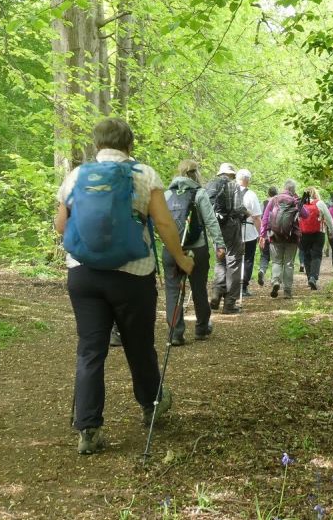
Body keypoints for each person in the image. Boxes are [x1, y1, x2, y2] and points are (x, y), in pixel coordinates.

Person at [54, 118, 195, 455]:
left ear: (96, 144)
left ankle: (88, 427)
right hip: (133, 274)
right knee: (138, 344)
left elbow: (61, 225)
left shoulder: (76, 176)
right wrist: (181, 258)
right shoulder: (144, 175)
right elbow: (162, 222)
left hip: (84, 274)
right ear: (129, 145)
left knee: (91, 350)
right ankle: (151, 404)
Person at [163, 160, 226, 345]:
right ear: (195, 174)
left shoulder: (166, 194)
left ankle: (175, 333)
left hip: (172, 249)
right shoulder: (199, 193)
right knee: (198, 288)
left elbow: (160, 222)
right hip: (197, 249)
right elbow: (210, 221)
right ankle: (201, 328)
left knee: (173, 290)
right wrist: (220, 244)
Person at [207, 163, 246, 314]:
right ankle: (229, 304)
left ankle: (216, 293)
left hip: (215, 228)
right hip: (230, 227)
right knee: (234, 262)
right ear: (231, 175)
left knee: (220, 260)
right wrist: (246, 212)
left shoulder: (210, 185)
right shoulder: (234, 186)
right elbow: (238, 208)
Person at [261, 179, 302, 299]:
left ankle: (276, 282)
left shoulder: (274, 199)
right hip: (292, 237)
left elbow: (265, 218)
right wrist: (299, 202)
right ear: (293, 190)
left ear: (284, 188)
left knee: (277, 261)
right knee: (289, 263)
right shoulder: (295, 201)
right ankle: (287, 291)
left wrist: (262, 235)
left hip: (275, 235)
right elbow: (305, 214)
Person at [298, 187, 333, 290]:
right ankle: (313, 278)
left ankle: (309, 277)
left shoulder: (301, 205)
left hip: (304, 234)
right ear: (315, 194)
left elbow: (296, 218)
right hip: (319, 233)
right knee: (317, 255)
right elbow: (328, 218)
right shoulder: (320, 203)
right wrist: (332, 231)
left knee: (306, 255)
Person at [237, 169, 263, 298]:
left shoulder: (230, 193)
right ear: (248, 180)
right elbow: (257, 217)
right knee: (247, 259)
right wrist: (261, 234)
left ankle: (232, 286)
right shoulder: (251, 195)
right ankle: (243, 287)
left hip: (232, 232)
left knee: (233, 259)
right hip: (248, 232)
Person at [257, 185, 278, 286]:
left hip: (265, 233)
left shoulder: (264, 203)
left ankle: (262, 270)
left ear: (268, 193)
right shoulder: (278, 203)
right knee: (276, 258)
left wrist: (260, 234)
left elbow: (261, 218)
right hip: (275, 234)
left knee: (264, 256)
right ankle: (274, 280)